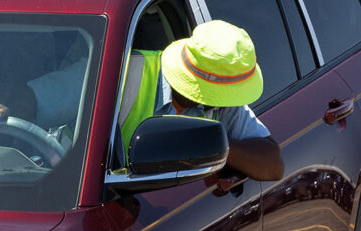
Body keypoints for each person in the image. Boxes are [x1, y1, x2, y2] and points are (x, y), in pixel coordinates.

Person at [114, 19, 283, 182]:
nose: (229, 100)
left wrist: (211, 144)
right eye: (227, 92)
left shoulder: (222, 104)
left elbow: (273, 166)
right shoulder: (125, 75)